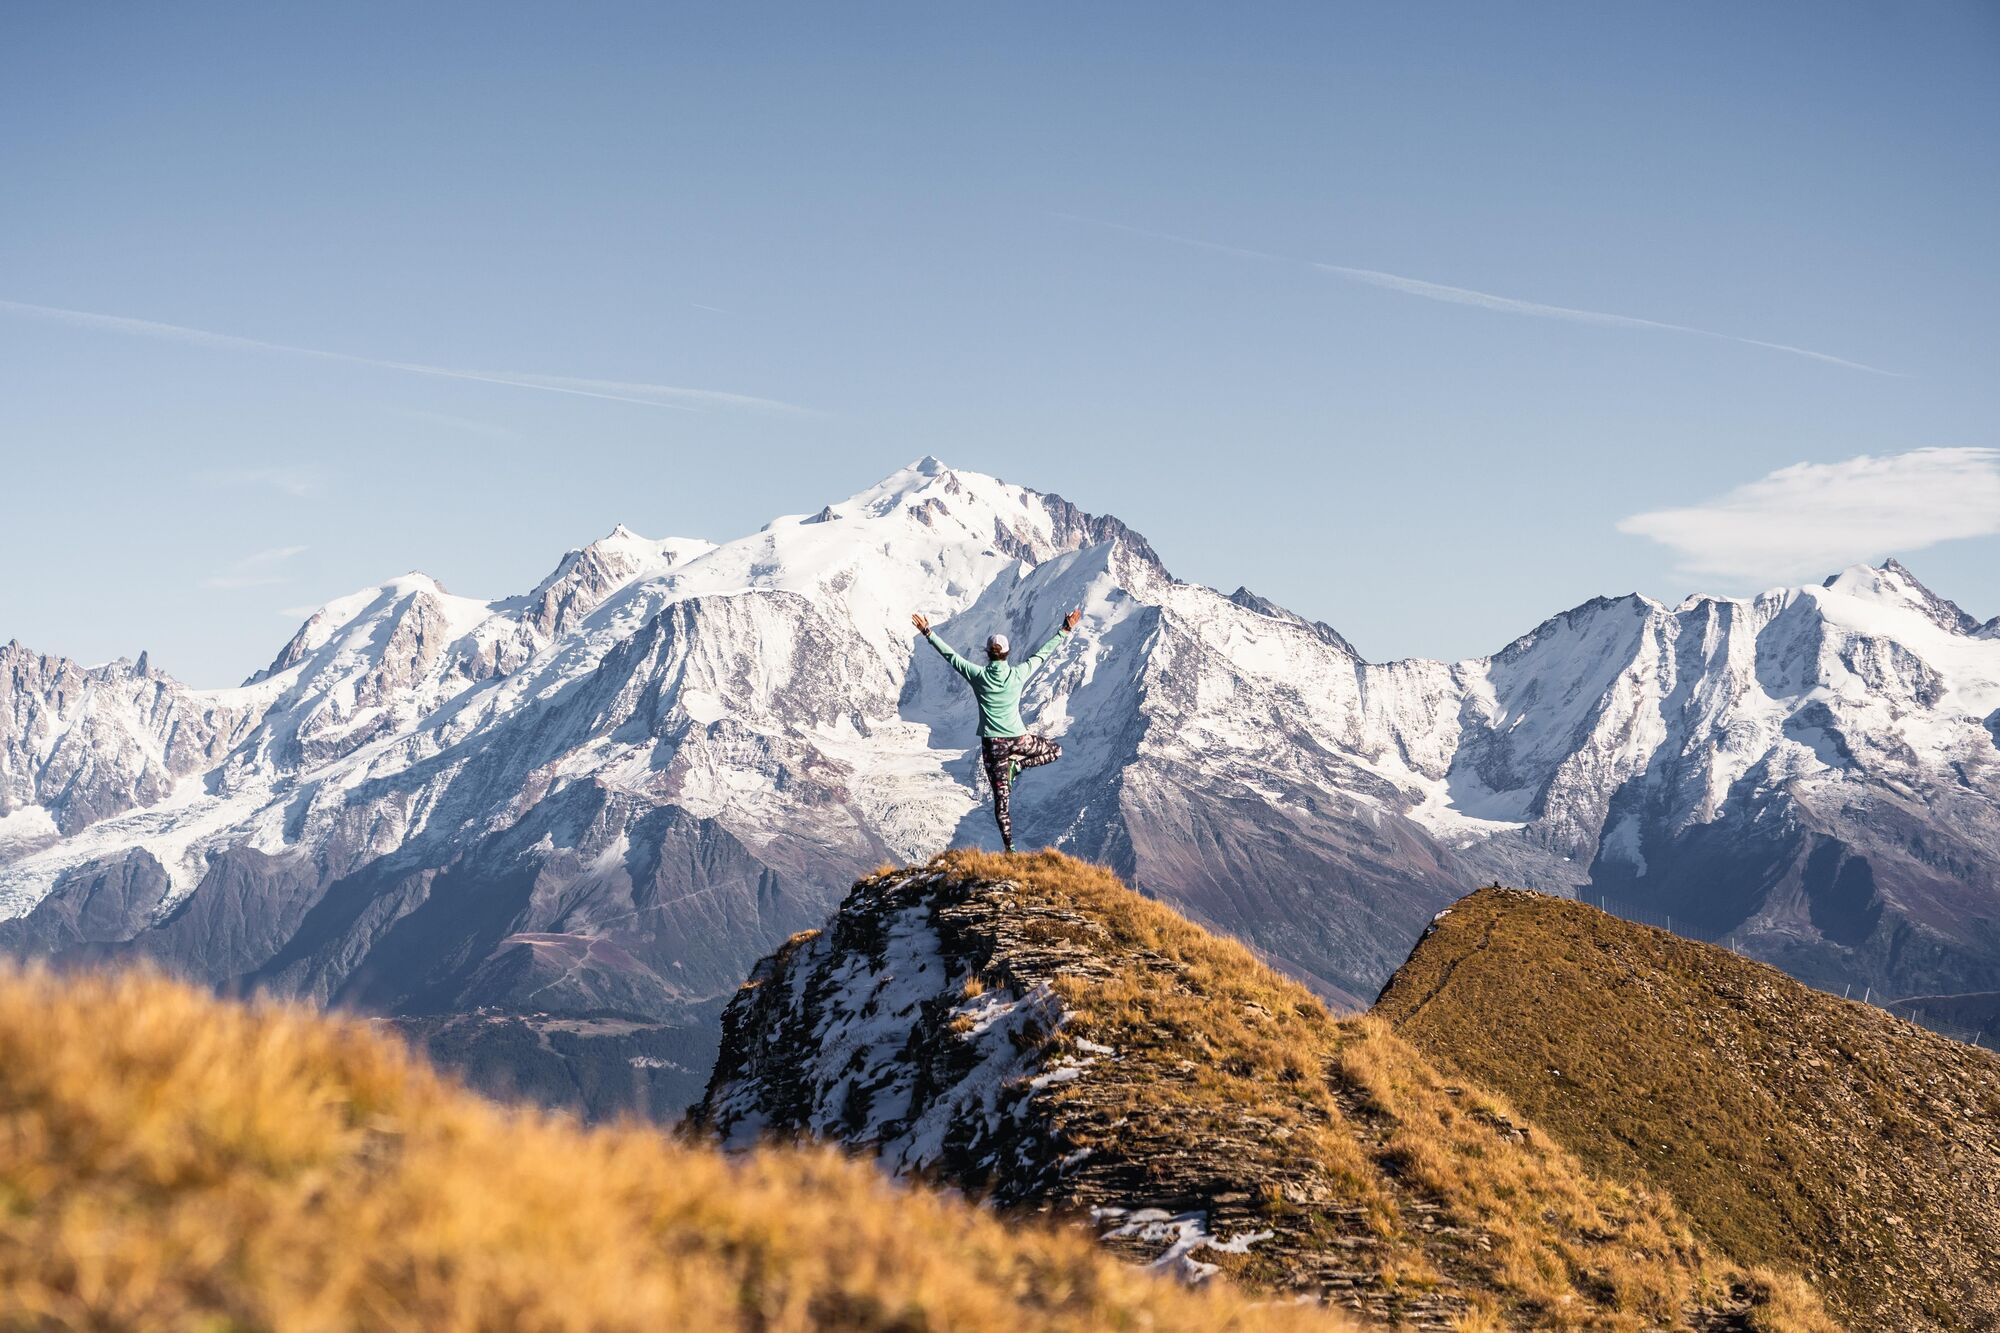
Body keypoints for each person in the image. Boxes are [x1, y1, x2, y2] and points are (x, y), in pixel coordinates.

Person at [911, 607, 1082, 853]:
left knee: (1001, 801)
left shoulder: (977, 675)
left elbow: (951, 656)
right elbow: (1042, 655)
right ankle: (1020, 765)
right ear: (1008, 653)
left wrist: (928, 632)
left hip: (993, 746)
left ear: (987, 654)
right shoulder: (1018, 674)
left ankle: (1010, 849)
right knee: (1055, 751)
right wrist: (1065, 629)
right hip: (1019, 740)